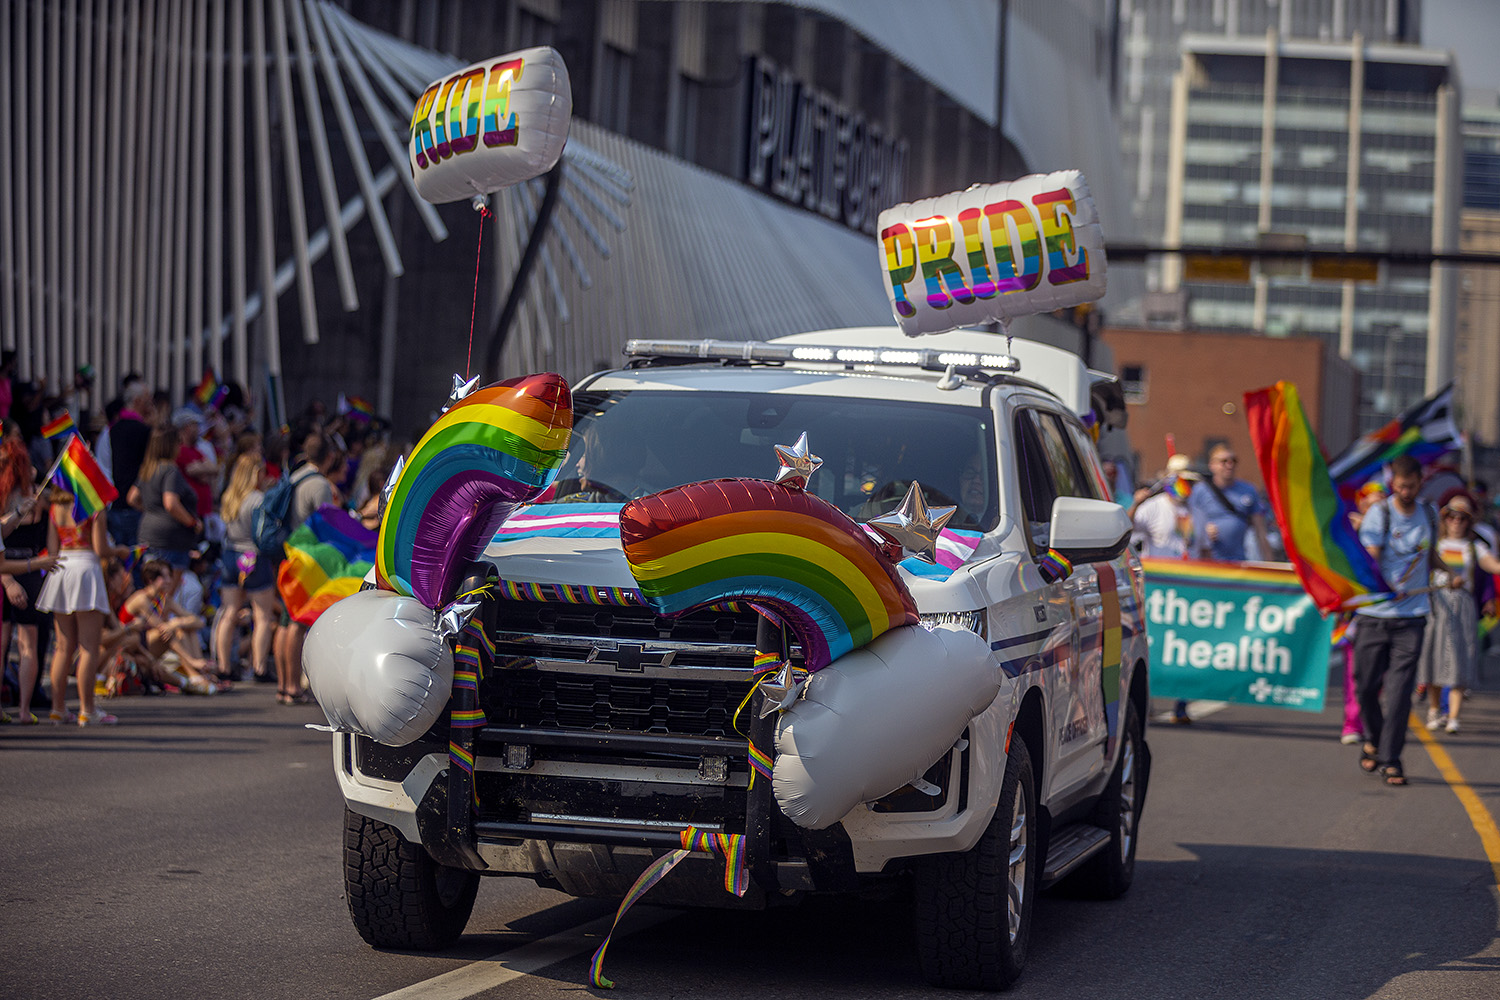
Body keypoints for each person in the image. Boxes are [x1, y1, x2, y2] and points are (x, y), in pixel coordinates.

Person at [1353, 455, 1445, 786]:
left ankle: (1391, 759)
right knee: (1365, 687)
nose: (1406, 491)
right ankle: (1375, 740)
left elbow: (1430, 554)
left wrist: (1449, 574)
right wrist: (1387, 587)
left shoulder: (1429, 515)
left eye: (1411, 486)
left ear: (1420, 483)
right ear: (1393, 484)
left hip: (1412, 617)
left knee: (1400, 692)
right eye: (1401, 486)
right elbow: (1370, 560)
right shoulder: (1380, 514)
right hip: (1374, 615)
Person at [37, 484, 123, 726]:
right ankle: (88, 709)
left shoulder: (55, 507)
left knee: (62, 647)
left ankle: (58, 708)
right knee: (88, 647)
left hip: (62, 568)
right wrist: (121, 551)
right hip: (86, 569)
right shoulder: (93, 506)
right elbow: (100, 548)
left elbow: (53, 549)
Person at [1417, 493, 1500, 734]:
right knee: (1433, 658)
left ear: (1469, 521)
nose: (1456, 521)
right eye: (1451, 516)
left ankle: (1453, 716)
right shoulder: (1435, 544)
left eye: (1462, 518)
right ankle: (1434, 709)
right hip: (1435, 605)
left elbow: (1492, 565)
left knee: (1459, 660)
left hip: (1462, 607)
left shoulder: (1475, 547)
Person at [273, 432, 345, 705]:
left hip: (288, 554)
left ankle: (283, 685)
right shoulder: (318, 484)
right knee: (296, 622)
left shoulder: (295, 476)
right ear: (328, 457)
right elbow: (326, 523)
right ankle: (293, 686)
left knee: (283, 623)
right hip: (307, 557)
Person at [215, 452, 281, 685]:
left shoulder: (229, 497)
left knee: (229, 612)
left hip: (231, 554)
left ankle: (223, 666)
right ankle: (259, 667)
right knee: (262, 615)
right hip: (254, 555)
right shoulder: (257, 499)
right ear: (255, 474)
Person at [0, 435, 53, 723]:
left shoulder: (3, 496)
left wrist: (6, 581)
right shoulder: (37, 496)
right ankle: (23, 710)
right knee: (28, 646)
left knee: (3, 643)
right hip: (29, 572)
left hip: (5, 570)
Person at [119, 559, 217, 694]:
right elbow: (161, 629)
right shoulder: (141, 599)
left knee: (184, 628)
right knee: (171, 631)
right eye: (164, 577)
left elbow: (197, 621)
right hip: (132, 646)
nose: (169, 581)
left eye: (170, 576)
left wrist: (178, 622)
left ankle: (198, 673)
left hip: (146, 644)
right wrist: (190, 659)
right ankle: (193, 670)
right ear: (150, 580)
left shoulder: (164, 600)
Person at [1337, 483, 1387, 745]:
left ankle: (1372, 723)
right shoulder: (1350, 532)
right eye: (1370, 505)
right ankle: (1352, 723)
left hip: (1387, 615)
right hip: (1357, 616)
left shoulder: (1391, 532)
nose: (1375, 511)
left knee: (1379, 677)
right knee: (1355, 673)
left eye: (1381, 505)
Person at [129, 426, 203, 590]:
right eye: (178, 443)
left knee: (152, 590)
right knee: (166, 594)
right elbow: (171, 503)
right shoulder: (170, 470)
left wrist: (151, 509)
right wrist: (192, 522)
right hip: (171, 540)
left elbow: (132, 498)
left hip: (148, 534)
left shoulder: (148, 469)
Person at [1189, 444, 1272, 561]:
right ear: (1212, 465)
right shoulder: (1199, 490)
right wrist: (1203, 530)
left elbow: (1260, 530)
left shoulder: (1248, 490)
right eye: (1224, 461)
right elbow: (1188, 525)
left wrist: (1269, 562)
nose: (1229, 465)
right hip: (1208, 563)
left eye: (1233, 461)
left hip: (1238, 562)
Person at [105, 379, 154, 546]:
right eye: (148, 399)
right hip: (135, 504)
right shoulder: (144, 431)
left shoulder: (115, 428)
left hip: (117, 502)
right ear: (138, 401)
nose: (151, 403)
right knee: (135, 560)